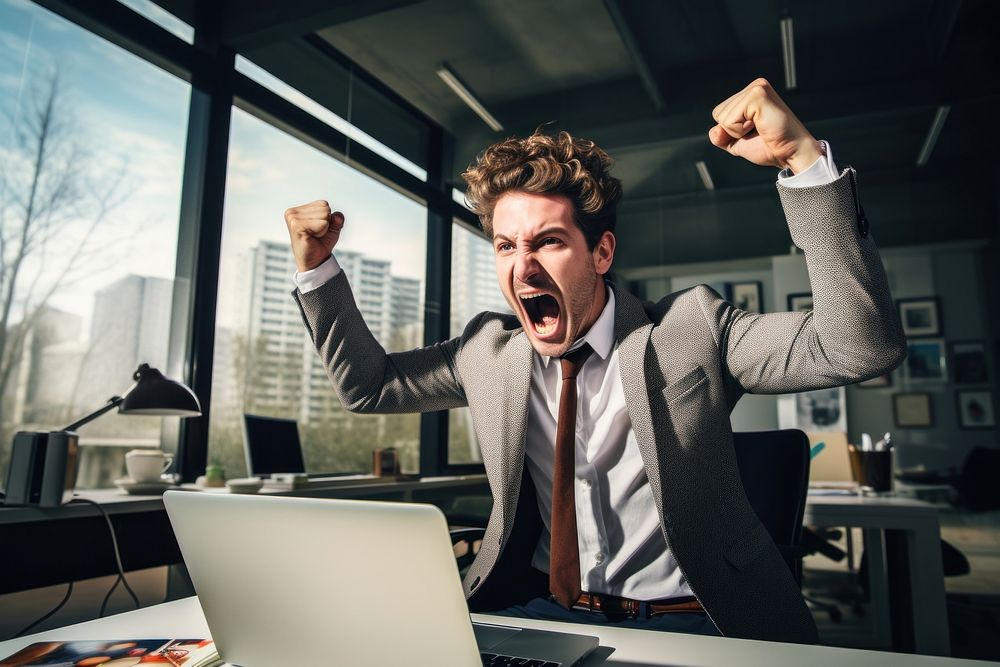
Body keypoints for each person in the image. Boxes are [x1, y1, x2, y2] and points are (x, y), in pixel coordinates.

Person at [284, 78, 905, 643]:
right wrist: (317, 269)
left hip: (696, 623)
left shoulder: (689, 330)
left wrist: (803, 163)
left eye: (548, 242)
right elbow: (369, 386)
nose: (522, 267)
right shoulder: (488, 352)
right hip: (540, 615)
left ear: (602, 251)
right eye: (505, 245)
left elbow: (859, 346)